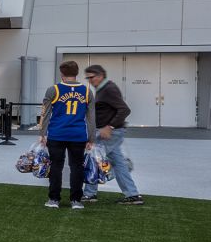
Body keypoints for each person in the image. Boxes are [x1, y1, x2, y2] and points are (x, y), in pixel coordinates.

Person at [82, 64, 143, 205]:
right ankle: (132, 195)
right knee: (118, 163)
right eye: (88, 78)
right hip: (110, 132)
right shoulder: (103, 88)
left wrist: (109, 127)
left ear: (100, 75)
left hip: (110, 133)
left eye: (91, 77)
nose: (89, 80)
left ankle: (90, 194)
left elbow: (125, 110)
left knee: (94, 159)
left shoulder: (109, 89)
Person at [39, 59, 94, 209]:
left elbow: (45, 114)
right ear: (76, 73)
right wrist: (91, 138)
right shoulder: (87, 91)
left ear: (62, 74)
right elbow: (91, 118)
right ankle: (76, 201)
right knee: (77, 167)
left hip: (57, 134)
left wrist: (42, 133)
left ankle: (54, 200)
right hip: (78, 135)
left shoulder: (53, 90)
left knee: (56, 166)